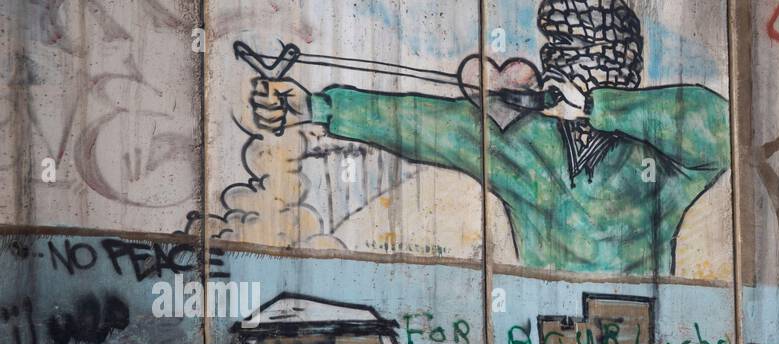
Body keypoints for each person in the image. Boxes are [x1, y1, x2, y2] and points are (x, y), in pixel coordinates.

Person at [247, 0, 730, 276]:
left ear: (624, 65)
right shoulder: (523, 140)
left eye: (592, 53)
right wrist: (317, 107)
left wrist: (596, 107)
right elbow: (426, 123)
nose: (573, 63)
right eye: (563, 50)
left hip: (638, 332)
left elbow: (717, 128)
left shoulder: (664, 163)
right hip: (544, 317)